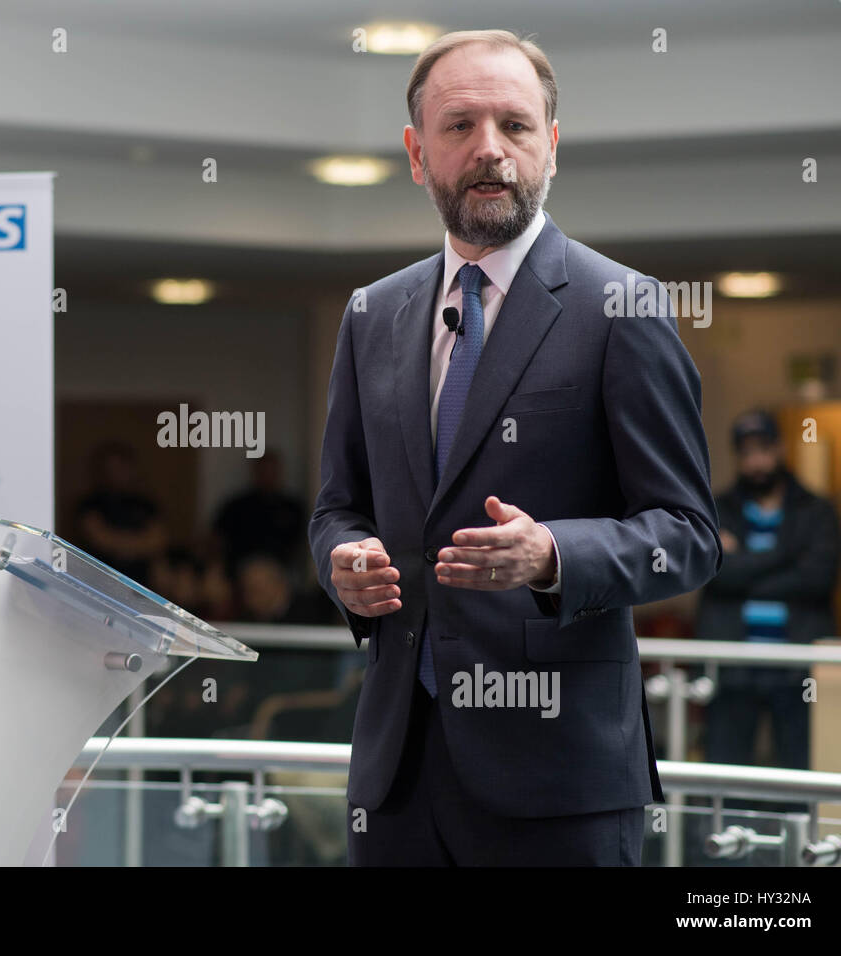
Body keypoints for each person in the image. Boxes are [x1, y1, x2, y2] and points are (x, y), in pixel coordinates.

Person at [309, 29, 721, 866]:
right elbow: (336, 507)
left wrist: (551, 554)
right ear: (418, 154)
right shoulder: (371, 315)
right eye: (459, 127)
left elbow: (687, 534)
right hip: (397, 781)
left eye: (516, 126)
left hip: (559, 781)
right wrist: (343, 561)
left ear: (553, 146)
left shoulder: (624, 307)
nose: (490, 150)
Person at [698, 410, 841, 773]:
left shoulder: (817, 511)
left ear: (780, 448)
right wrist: (784, 557)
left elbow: (817, 580)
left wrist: (740, 563)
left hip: (797, 667)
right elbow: (711, 575)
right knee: (726, 774)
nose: (756, 461)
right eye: (746, 453)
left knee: (800, 773)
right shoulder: (715, 511)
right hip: (735, 665)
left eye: (764, 449)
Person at [74, 442, 166, 586]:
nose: (116, 474)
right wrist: (136, 544)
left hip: (141, 583)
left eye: (121, 467)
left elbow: (157, 541)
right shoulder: (91, 503)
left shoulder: (145, 504)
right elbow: (98, 538)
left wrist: (119, 544)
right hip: (100, 579)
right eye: (111, 468)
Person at [212, 452, 308, 577]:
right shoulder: (236, 506)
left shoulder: (292, 507)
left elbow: (300, 544)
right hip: (241, 570)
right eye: (263, 471)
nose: (267, 476)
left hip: (281, 570)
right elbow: (217, 538)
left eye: (271, 471)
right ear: (255, 473)